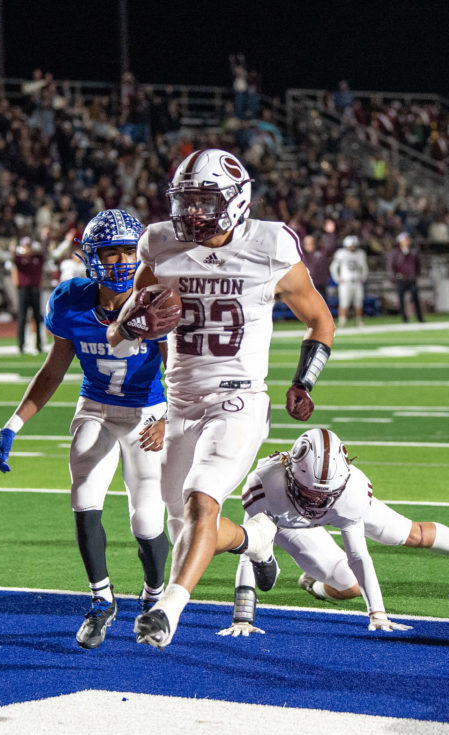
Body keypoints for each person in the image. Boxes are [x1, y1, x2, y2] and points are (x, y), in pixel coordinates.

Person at [105, 147, 336, 649]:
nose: (193, 212)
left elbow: (320, 319)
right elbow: (118, 337)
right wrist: (133, 324)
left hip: (239, 400)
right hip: (181, 403)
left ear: (237, 200)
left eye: (206, 201)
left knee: (201, 500)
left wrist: (303, 381)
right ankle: (256, 540)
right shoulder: (159, 244)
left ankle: (167, 611)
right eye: (186, 200)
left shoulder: (270, 245)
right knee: (186, 525)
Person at [0, 210, 171, 650]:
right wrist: (13, 424)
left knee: (146, 520)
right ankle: (101, 600)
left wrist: (169, 420)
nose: (122, 262)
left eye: (128, 251)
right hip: (95, 407)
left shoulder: (155, 300)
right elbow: (53, 370)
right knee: (84, 499)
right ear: (91, 257)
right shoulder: (70, 300)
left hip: (146, 412)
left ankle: (154, 595)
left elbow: (181, 371)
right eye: (111, 253)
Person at [218, 428, 449, 636]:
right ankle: (314, 585)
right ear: (290, 473)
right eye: (311, 493)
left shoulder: (350, 491)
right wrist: (243, 616)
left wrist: (378, 613)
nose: (317, 501)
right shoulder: (266, 487)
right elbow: (249, 550)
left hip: (339, 508)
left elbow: (359, 554)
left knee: (410, 534)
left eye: (324, 493)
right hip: (291, 526)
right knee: (349, 586)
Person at [330, 235, 369, 327]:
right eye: (350, 245)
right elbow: (333, 267)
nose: (352, 247)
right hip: (346, 282)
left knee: (358, 302)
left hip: (357, 281)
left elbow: (364, 267)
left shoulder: (360, 253)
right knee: (344, 302)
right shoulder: (341, 253)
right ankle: (342, 321)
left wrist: (363, 278)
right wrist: (337, 278)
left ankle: (358, 321)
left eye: (353, 245)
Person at [388, 232, 425, 323]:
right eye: (405, 240)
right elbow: (391, 266)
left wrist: (416, 276)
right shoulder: (395, 253)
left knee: (415, 297)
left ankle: (419, 318)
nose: (407, 241)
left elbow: (418, 265)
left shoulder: (413, 252)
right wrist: (394, 278)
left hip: (411, 278)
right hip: (401, 278)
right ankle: (404, 319)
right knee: (401, 299)